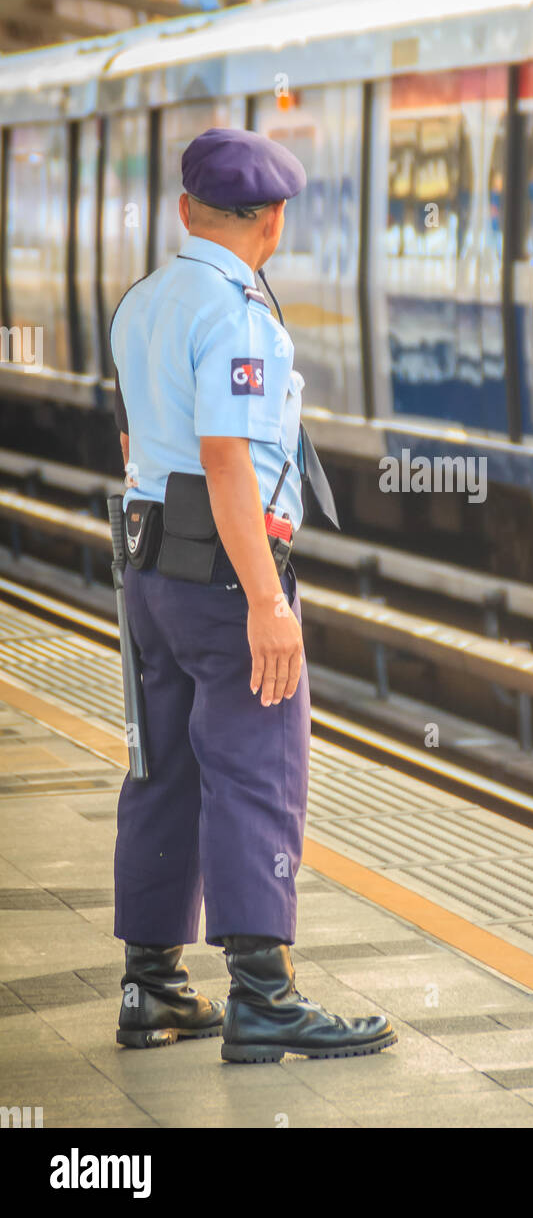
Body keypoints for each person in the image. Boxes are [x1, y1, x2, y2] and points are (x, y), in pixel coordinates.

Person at [110, 126, 396, 1063]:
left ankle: (151, 987)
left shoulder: (143, 300)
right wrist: (268, 600)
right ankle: (263, 998)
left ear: (186, 211)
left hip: (148, 568)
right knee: (257, 768)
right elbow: (228, 458)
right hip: (229, 574)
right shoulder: (238, 317)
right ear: (273, 222)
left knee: (164, 765)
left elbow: (137, 446)